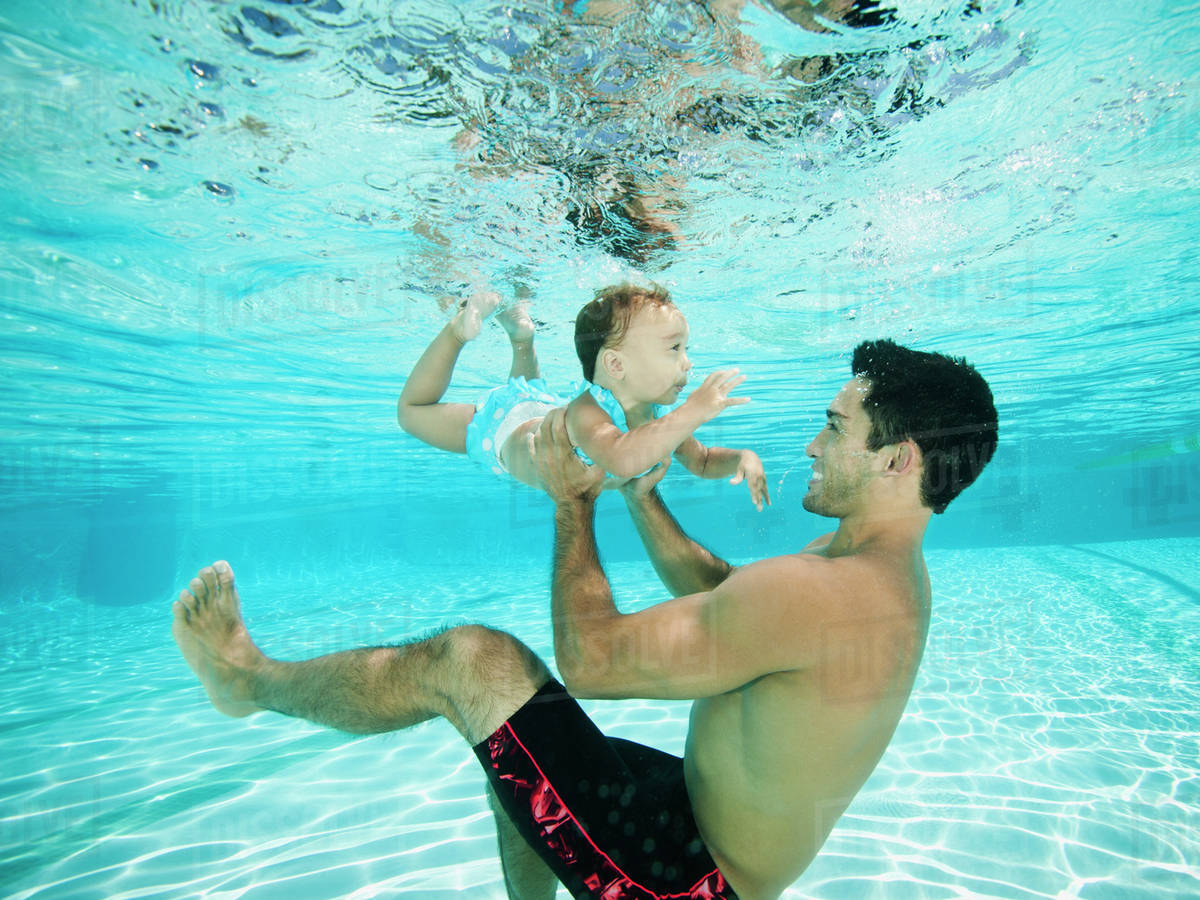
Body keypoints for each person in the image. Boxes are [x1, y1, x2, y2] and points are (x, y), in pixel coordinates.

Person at [172, 338, 997, 900]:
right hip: (703, 825)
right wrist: (643, 492)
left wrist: (575, 503)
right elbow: (727, 598)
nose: (812, 446)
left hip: (682, 881)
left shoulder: (825, 593)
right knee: (522, 747)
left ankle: (249, 682)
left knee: (475, 663)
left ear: (900, 459)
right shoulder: (876, 569)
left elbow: (594, 661)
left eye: (833, 426)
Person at [397, 283, 770, 508]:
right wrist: (693, 411)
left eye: (686, 349)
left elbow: (701, 461)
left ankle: (522, 337)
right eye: (674, 349)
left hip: (541, 411)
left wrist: (742, 458)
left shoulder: (655, 415)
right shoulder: (587, 414)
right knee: (411, 413)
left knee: (532, 395)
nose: (688, 364)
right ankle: (458, 331)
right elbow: (622, 458)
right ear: (616, 365)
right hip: (499, 432)